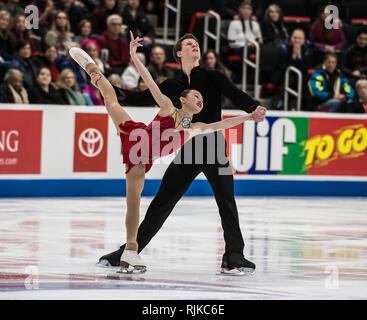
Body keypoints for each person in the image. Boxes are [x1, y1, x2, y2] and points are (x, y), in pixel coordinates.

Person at [69, 32, 266, 271]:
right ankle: (129, 251)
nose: (195, 46)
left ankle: (234, 255)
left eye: (197, 44)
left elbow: (234, 95)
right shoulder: (172, 86)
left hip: (213, 147)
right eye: (189, 44)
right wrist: (110, 88)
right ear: (179, 53)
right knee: (162, 202)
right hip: (187, 149)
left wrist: (252, 109)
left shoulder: (213, 76)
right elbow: (142, 95)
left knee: (226, 201)